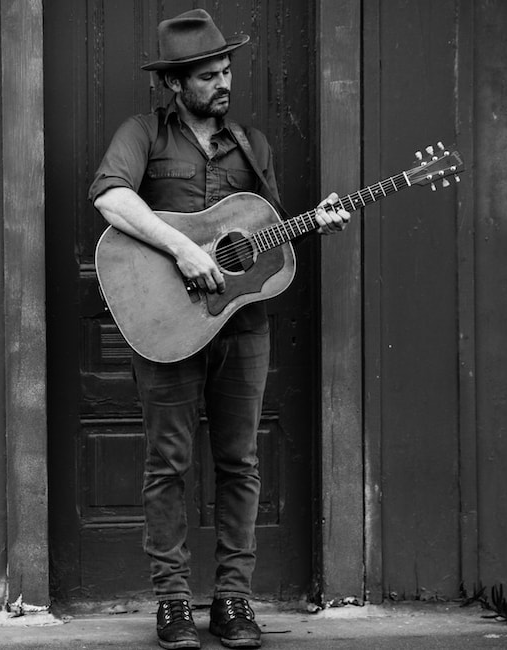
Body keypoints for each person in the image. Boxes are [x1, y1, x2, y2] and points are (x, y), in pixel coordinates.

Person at [88, 9, 350, 650]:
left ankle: (234, 599)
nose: (223, 83)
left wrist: (314, 223)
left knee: (240, 462)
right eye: (208, 75)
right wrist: (182, 248)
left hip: (240, 325)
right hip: (166, 325)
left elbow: (264, 239)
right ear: (176, 83)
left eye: (227, 70)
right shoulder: (143, 133)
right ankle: (173, 603)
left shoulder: (251, 146)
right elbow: (108, 196)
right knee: (168, 463)